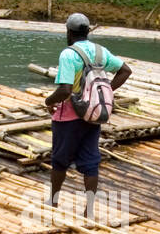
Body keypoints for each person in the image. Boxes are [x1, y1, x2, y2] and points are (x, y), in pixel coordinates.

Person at [44, 13, 132, 217]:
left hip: (69, 115)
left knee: (60, 160)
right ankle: (89, 210)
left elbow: (65, 90)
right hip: (94, 114)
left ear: (69, 32)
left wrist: (48, 101)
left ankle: (53, 202)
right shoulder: (100, 52)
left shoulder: (69, 54)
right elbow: (125, 71)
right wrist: (104, 93)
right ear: (87, 31)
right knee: (91, 161)